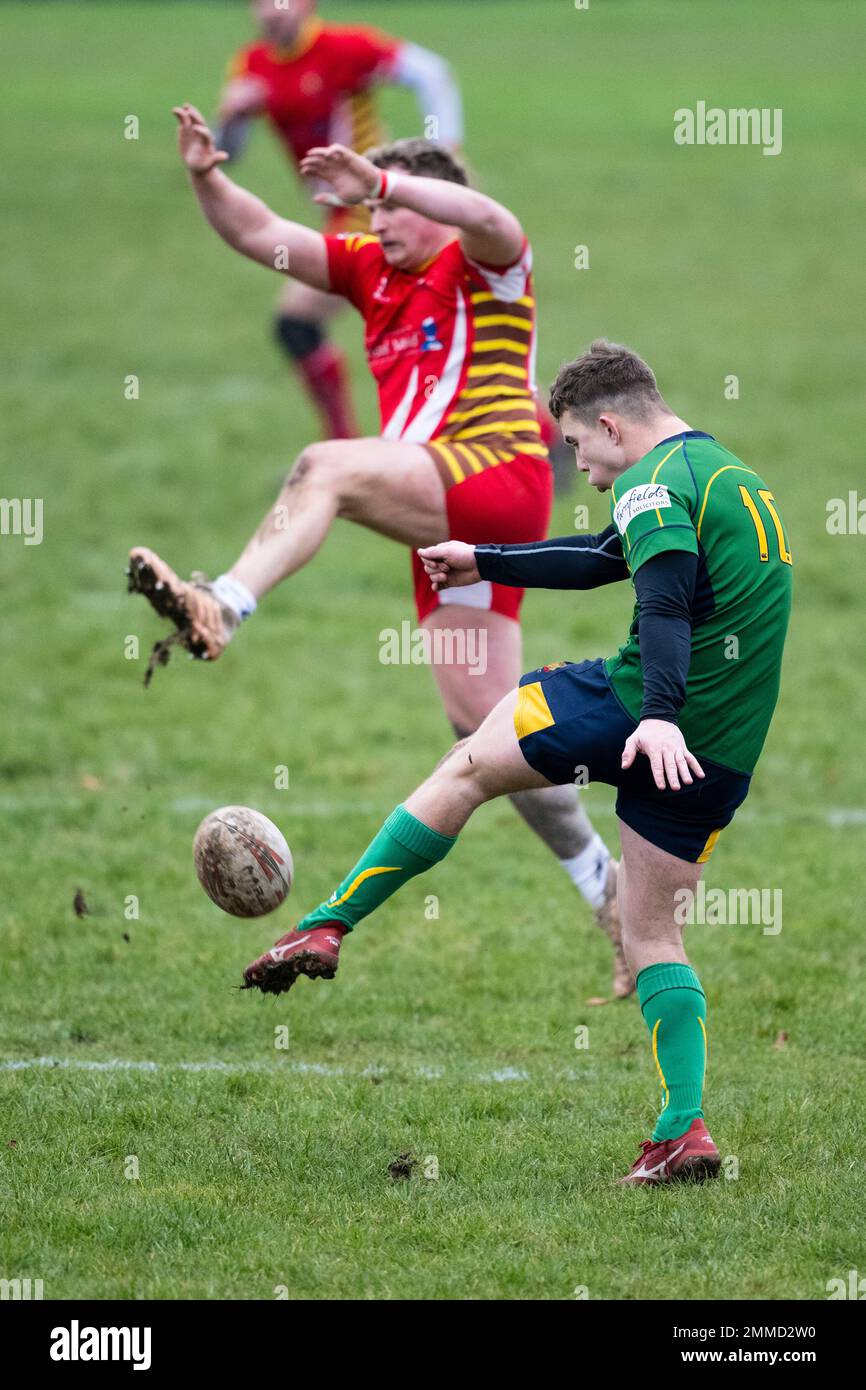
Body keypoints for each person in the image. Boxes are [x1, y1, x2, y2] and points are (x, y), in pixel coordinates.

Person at [241, 340, 793, 1186]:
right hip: (717, 751)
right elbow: (614, 558)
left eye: (574, 445)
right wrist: (486, 559)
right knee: (652, 931)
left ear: (611, 424)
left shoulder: (650, 482)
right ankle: (684, 1129)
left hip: (642, 713)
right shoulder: (727, 476)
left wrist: (653, 717)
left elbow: (667, 602)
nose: (579, 466)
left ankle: (328, 921)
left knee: (467, 766)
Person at [128, 113, 628, 993]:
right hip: (445, 519)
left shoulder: (481, 263)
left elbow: (496, 218)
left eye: (389, 208)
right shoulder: (368, 270)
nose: (375, 224)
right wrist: (207, 178)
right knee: (490, 733)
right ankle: (605, 886)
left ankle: (223, 605)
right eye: (370, 210)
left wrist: (385, 181)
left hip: (496, 479)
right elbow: (261, 233)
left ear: (431, 206)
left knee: (325, 466)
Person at [214, 0, 463, 439]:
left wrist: (442, 153)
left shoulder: (346, 47)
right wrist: (229, 118)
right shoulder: (252, 64)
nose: (272, 12)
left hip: (376, 210)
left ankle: (343, 448)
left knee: (298, 321)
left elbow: (432, 74)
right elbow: (228, 155)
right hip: (343, 214)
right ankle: (541, 438)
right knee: (444, 323)